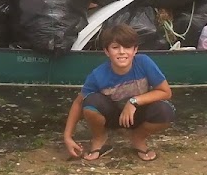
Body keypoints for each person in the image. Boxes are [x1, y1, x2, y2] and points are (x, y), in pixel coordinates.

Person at [63, 24, 175, 162]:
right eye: (115, 47)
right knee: (90, 103)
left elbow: (165, 92)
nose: (122, 52)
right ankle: (99, 138)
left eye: (127, 47)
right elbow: (78, 103)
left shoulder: (144, 63)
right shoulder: (98, 75)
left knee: (165, 111)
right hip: (112, 116)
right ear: (106, 51)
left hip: (136, 114)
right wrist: (67, 137)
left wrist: (133, 101)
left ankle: (138, 138)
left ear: (135, 50)